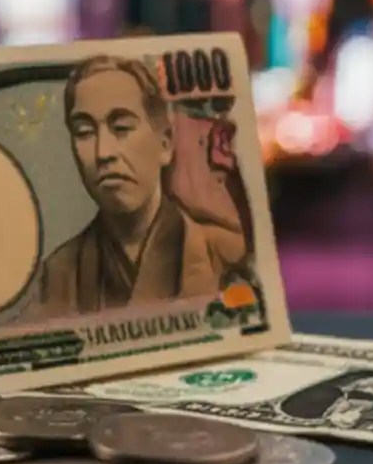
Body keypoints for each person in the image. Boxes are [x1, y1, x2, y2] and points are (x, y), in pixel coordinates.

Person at [36, 55, 244, 316]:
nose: (103, 152)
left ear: (166, 143)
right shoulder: (56, 275)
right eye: (84, 132)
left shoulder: (228, 255)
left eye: (121, 127)